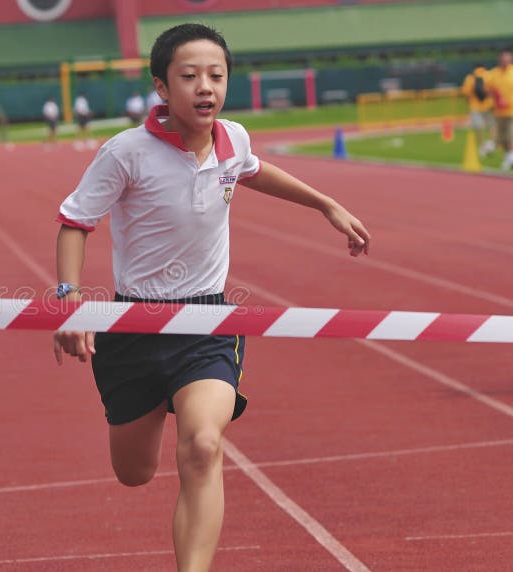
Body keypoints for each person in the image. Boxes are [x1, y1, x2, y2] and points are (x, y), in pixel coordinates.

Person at [52, 24, 370, 571]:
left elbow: (254, 170)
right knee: (134, 473)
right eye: (190, 76)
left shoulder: (234, 139)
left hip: (206, 322)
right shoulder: (125, 152)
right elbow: (75, 222)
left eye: (216, 76)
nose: (206, 87)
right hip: (132, 325)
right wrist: (71, 300)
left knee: (202, 447)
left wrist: (325, 204)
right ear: (161, 87)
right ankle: (155, 399)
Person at [486, 49, 513, 170]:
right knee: (502, 139)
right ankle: (508, 157)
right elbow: (488, 89)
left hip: (512, 110)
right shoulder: (493, 73)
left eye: (508, 59)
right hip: (498, 111)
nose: (506, 61)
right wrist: (496, 97)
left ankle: (511, 156)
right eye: (504, 59)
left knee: (510, 135)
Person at [461, 63, 496, 157]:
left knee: (478, 127)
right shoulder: (489, 75)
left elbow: (466, 93)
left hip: (475, 106)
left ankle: (482, 147)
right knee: (492, 125)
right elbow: (494, 90)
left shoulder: (470, 78)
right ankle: (491, 143)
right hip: (488, 104)